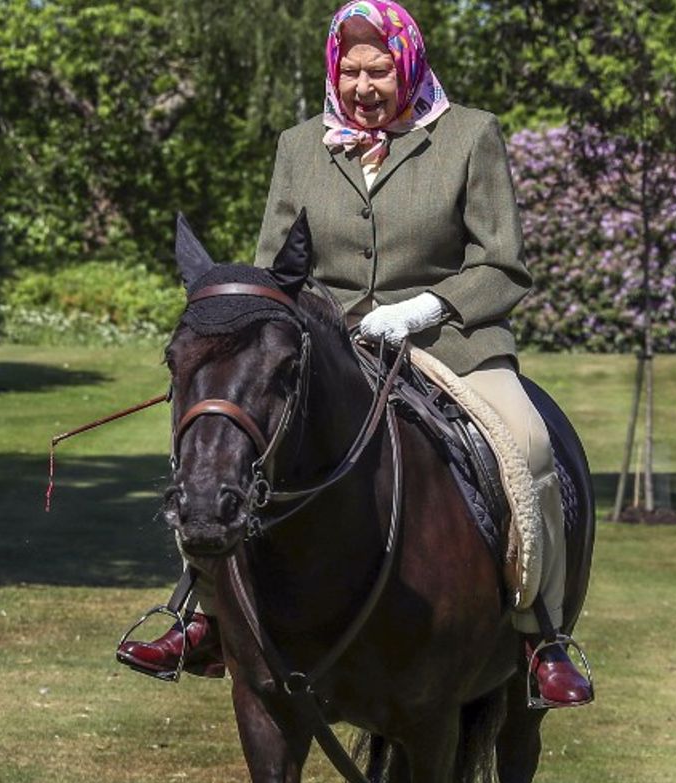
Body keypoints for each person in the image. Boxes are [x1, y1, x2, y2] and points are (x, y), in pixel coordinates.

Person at [119, 0, 591, 707]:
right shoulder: (299, 145)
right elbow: (275, 268)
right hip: (327, 344)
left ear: (408, 65)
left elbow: (504, 265)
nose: (364, 86)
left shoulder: (469, 137)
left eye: (379, 71)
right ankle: (206, 616)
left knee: (527, 444)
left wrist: (426, 309)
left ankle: (539, 633)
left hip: (449, 341)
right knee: (226, 445)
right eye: (351, 71)